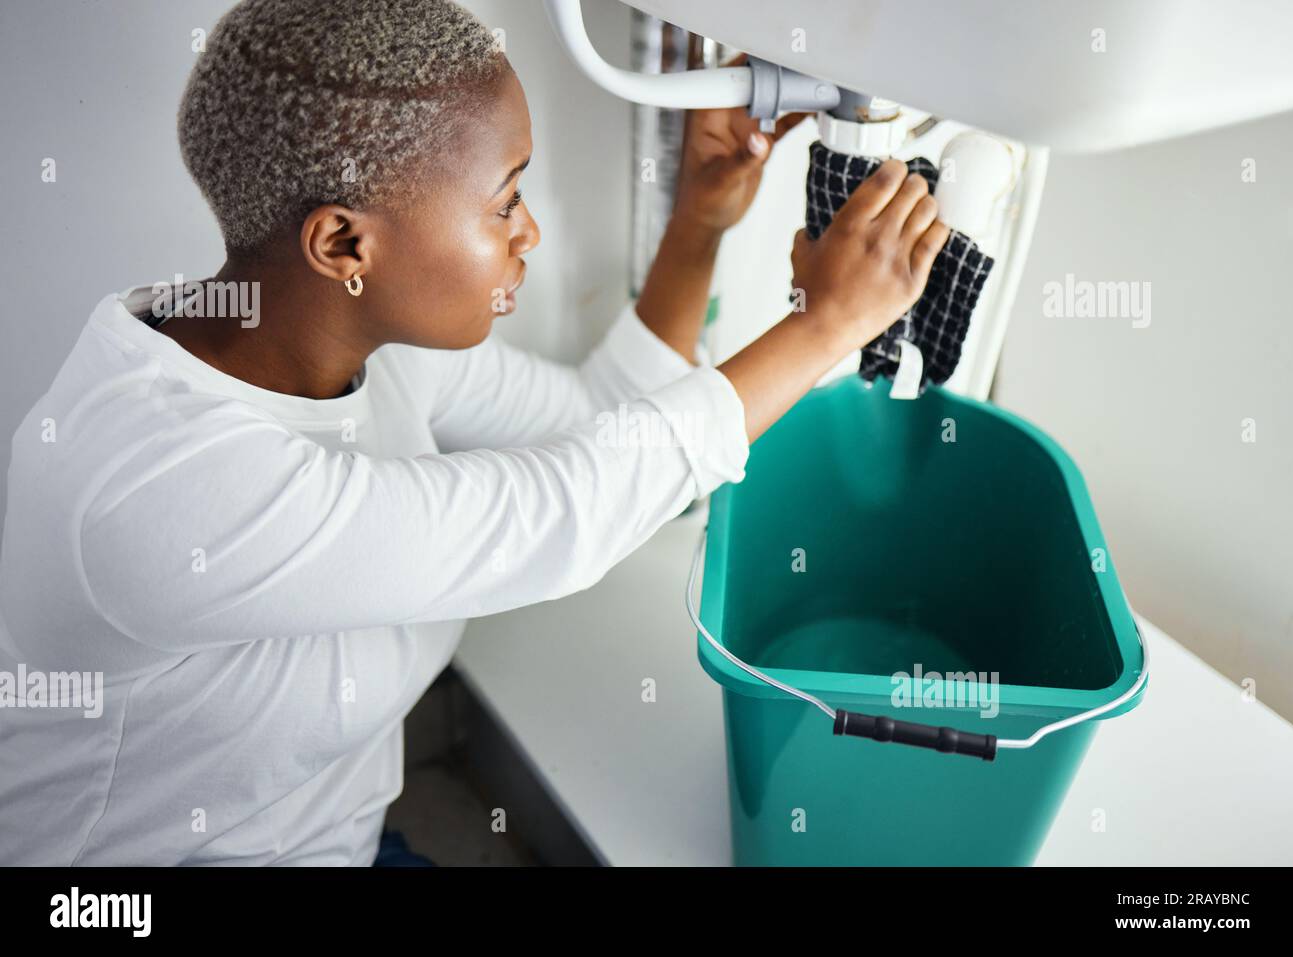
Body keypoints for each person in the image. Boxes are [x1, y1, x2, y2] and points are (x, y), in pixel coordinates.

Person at [0, 0, 949, 865]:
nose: (529, 233)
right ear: (343, 244)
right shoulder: (161, 488)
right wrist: (824, 326)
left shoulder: (363, 339)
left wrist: (697, 223)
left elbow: (600, 427)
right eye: (504, 201)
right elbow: (567, 509)